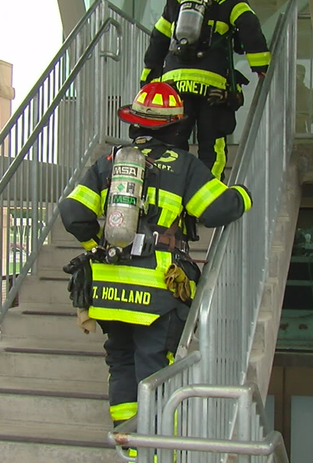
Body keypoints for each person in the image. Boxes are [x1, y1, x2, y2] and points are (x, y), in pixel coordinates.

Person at [60, 82, 252, 428]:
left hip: (109, 287)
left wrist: (95, 247)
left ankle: (130, 445)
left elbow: (74, 213)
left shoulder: (109, 162)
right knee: (156, 367)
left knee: (120, 361)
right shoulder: (184, 165)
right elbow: (217, 210)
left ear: (134, 125)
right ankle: (159, 449)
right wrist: (243, 194)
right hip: (156, 288)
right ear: (178, 127)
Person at [141, 0, 270, 180]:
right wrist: (261, 66)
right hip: (213, 87)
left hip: (175, 86)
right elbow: (249, 27)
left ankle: (171, 191)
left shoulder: (176, 0)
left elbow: (158, 40)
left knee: (173, 143)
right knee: (212, 146)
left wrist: (149, 79)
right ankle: (208, 198)